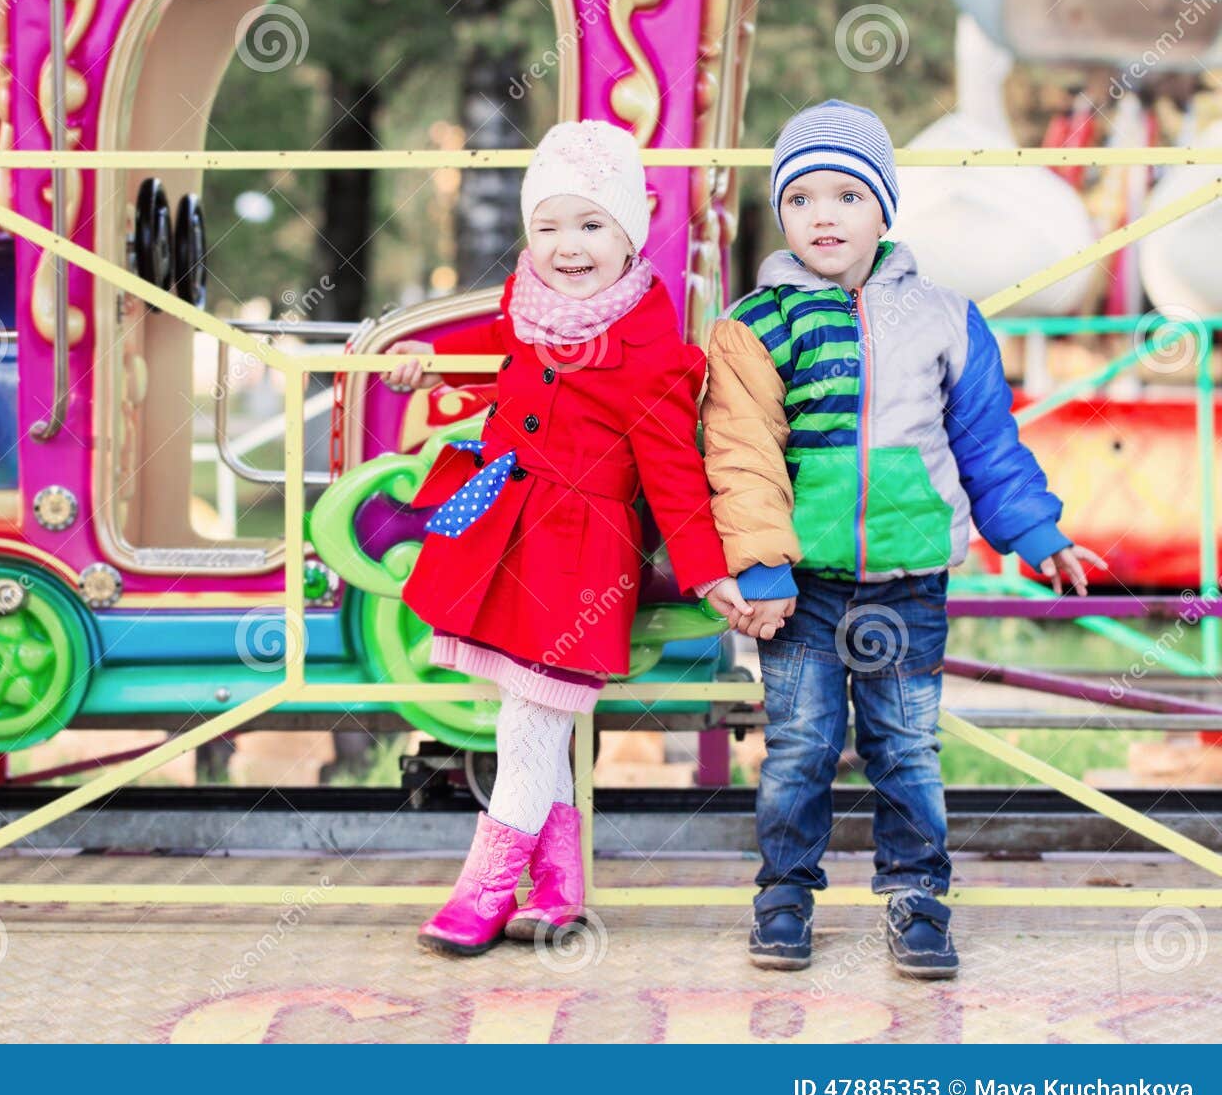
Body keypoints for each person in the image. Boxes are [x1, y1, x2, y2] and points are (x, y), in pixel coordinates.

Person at [700, 99, 1107, 978]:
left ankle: (919, 897)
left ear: (884, 208)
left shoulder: (945, 316)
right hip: (801, 587)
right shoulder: (753, 325)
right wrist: (762, 568)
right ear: (782, 213)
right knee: (800, 746)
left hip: (910, 579)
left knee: (906, 745)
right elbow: (742, 456)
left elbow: (987, 442)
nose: (824, 216)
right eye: (801, 198)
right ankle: (783, 895)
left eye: (847, 196)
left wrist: (1036, 532)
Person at [385, 120, 748, 956]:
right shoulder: (527, 308)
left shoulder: (650, 353)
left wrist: (707, 572)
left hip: (579, 566)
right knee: (530, 721)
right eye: (547, 226)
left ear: (629, 235)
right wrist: (428, 360)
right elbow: (489, 345)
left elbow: (674, 475)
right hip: (506, 540)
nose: (568, 246)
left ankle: (481, 892)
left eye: (591, 224)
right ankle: (556, 889)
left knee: (529, 727)